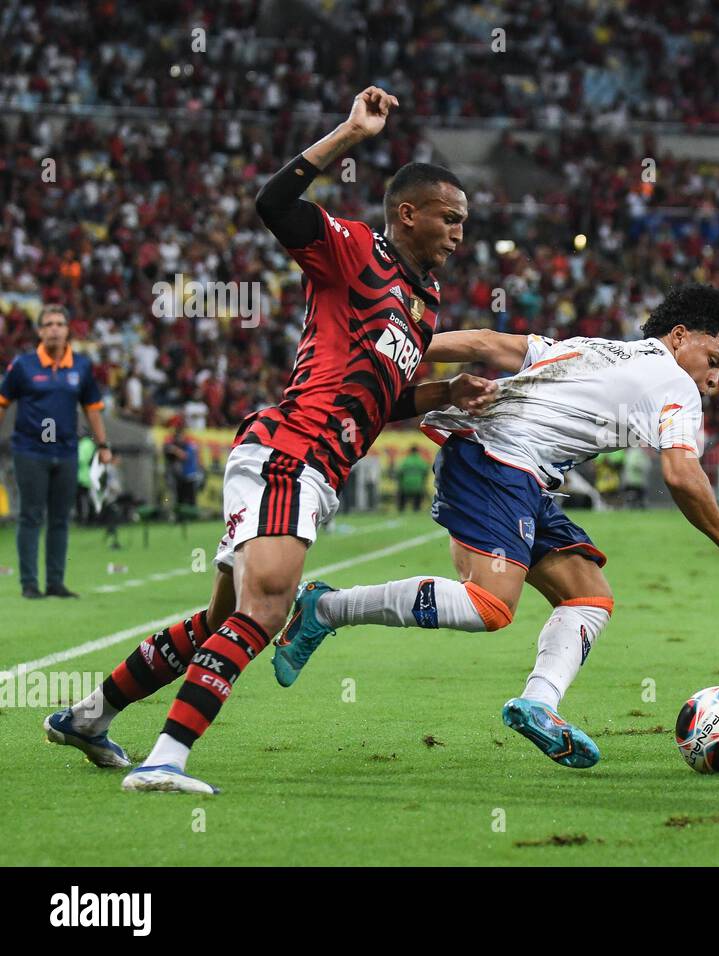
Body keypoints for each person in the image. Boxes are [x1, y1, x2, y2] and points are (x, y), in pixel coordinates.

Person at [46, 86, 493, 793]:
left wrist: (445, 392)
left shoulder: (425, 303)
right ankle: (166, 760)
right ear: (408, 214)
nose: (460, 234)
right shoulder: (354, 251)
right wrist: (349, 134)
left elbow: (377, 399)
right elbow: (272, 207)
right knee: (269, 607)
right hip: (294, 450)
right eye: (450, 219)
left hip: (310, 457)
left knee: (222, 620)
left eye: (464, 223)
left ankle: (90, 716)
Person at [272, 284, 719, 769]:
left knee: (588, 596)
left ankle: (538, 704)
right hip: (496, 461)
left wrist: (398, 347)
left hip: (519, 474)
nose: (714, 381)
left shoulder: (596, 349)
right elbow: (682, 474)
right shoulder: (674, 384)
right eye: (714, 363)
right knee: (489, 606)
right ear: (680, 335)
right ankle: (326, 608)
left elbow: (487, 343)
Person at [0, 305, 112, 599]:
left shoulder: (81, 366)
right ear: (39, 331)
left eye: (59, 323)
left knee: (61, 518)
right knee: (30, 515)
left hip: (66, 451)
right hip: (30, 451)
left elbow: (93, 409)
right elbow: (2, 401)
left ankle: (55, 582)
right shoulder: (23, 365)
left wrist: (103, 445)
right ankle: (28, 584)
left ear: (67, 330)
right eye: (48, 324)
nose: (53, 328)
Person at [395, 444, 429, 511]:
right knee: (417, 499)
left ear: (410, 451)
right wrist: (422, 481)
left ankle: (401, 509)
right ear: (417, 451)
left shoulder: (406, 460)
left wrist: (400, 483)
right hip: (418, 485)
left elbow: (399, 472)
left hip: (406, 485)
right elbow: (425, 471)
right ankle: (416, 509)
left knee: (402, 498)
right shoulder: (421, 461)